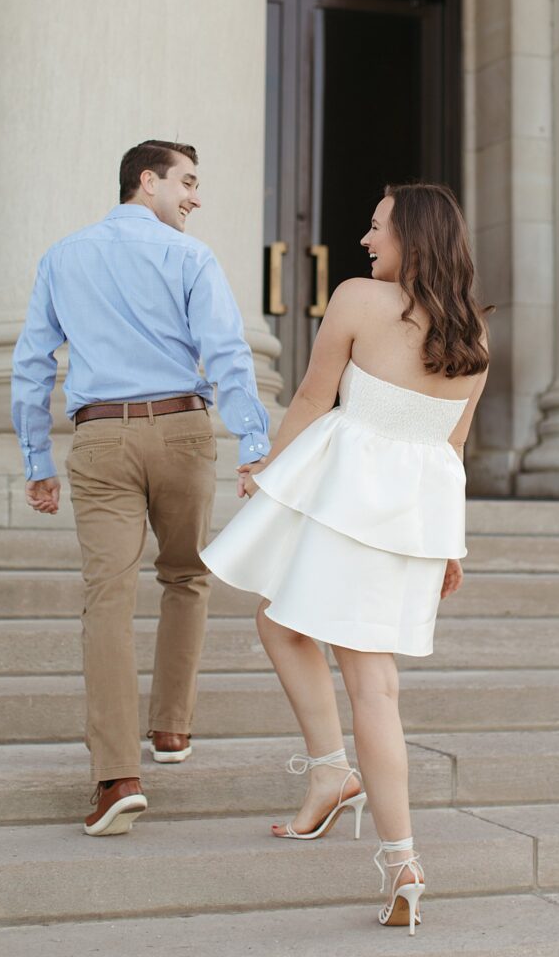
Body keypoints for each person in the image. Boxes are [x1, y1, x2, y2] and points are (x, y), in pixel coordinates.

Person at [202, 183, 489, 934]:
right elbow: (449, 452)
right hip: (413, 516)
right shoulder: (475, 340)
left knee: (368, 683)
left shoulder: (359, 299)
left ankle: (399, 855)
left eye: (377, 225)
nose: (365, 238)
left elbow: (308, 398)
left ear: (412, 239)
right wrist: (448, 544)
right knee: (295, 632)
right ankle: (335, 779)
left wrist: (263, 468)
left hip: (351, 502)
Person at [11, 139, 270, 836]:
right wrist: (252, 443)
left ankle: (116, 776)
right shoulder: (190, 257)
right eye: (186, 181)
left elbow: (32, 362)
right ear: (146, 181)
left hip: (100, 438)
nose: (194, 196)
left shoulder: (63, 256)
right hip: (183, 432)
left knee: (107, 598)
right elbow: (225, 351)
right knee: (186, 576)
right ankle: (171, 730)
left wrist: (37, 459)